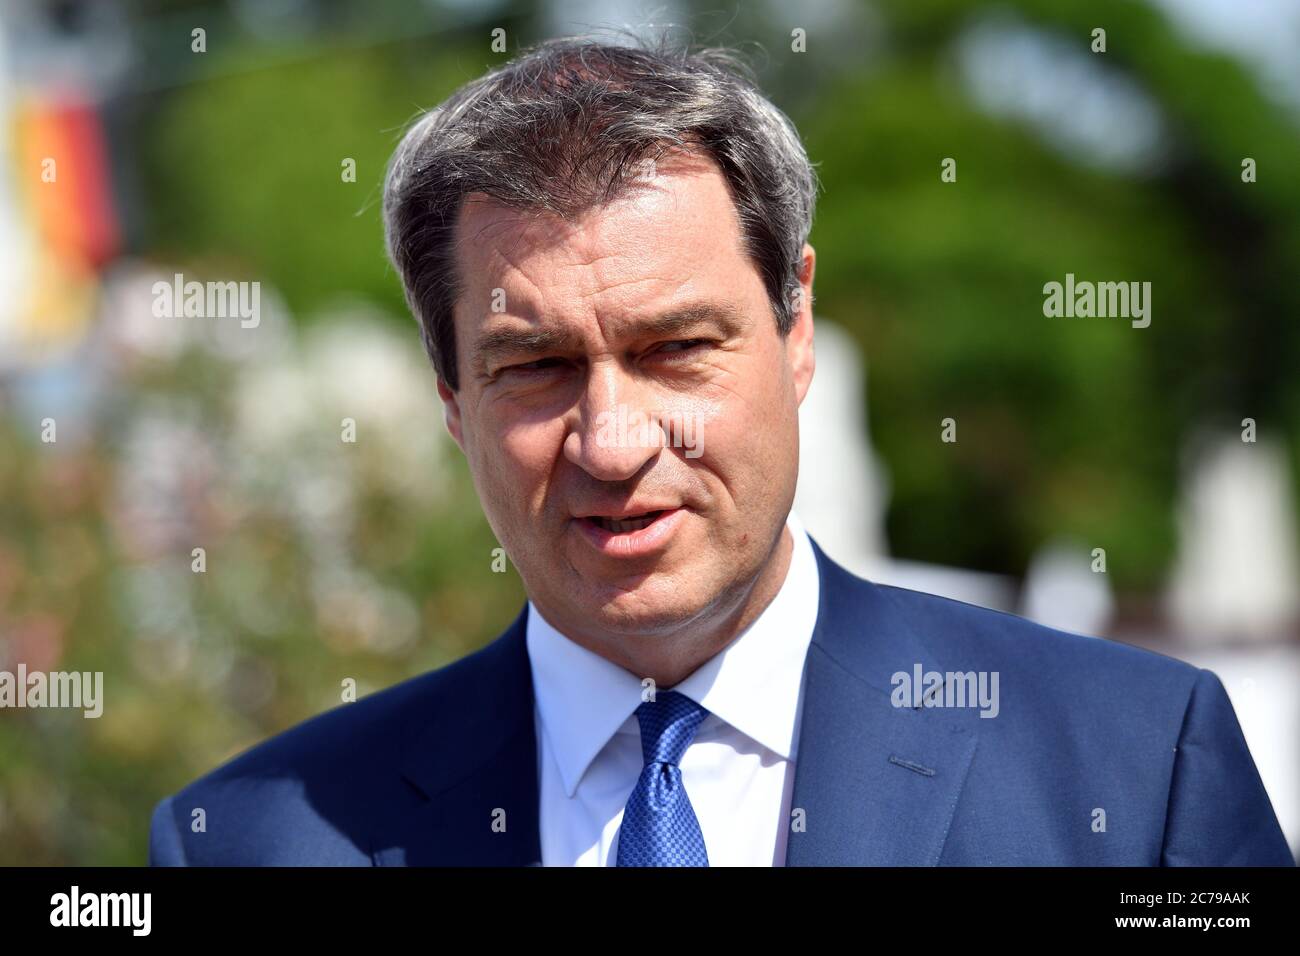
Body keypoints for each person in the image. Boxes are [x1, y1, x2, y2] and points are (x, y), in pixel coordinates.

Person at [150, 37, 1293, 866]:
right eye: (534, 366)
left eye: (676, 347)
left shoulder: (1135, 772)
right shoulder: (259, 838)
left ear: (796, 327)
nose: (613, 440)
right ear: (451, 394)